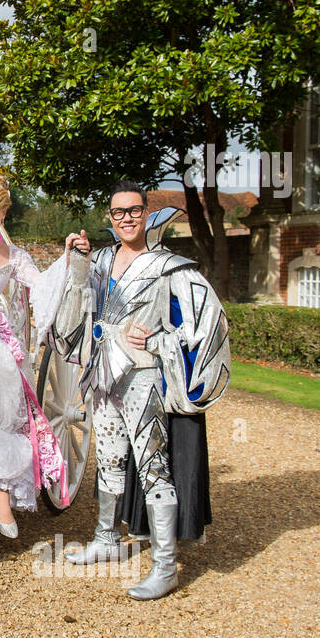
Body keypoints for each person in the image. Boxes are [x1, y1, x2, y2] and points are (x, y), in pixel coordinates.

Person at [53, 181, 231, 600]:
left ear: (146, 212)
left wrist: (158, 342)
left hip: (144, 377)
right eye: (118, 212)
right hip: (102, 373)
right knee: (109, 459)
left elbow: (209, 323)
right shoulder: (98, 261)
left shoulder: (169, 266)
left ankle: (166, 566)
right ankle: (106, 539)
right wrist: (76, 263)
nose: (127, 218)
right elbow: (74, 307)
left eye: (134, 210)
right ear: (109, 218)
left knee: (153, 463)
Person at [0, 172, 71, 539]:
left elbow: (42, 285)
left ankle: (2, 491)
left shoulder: (15, 255)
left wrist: (66, 258)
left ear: (3, 212)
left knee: (3, 362)